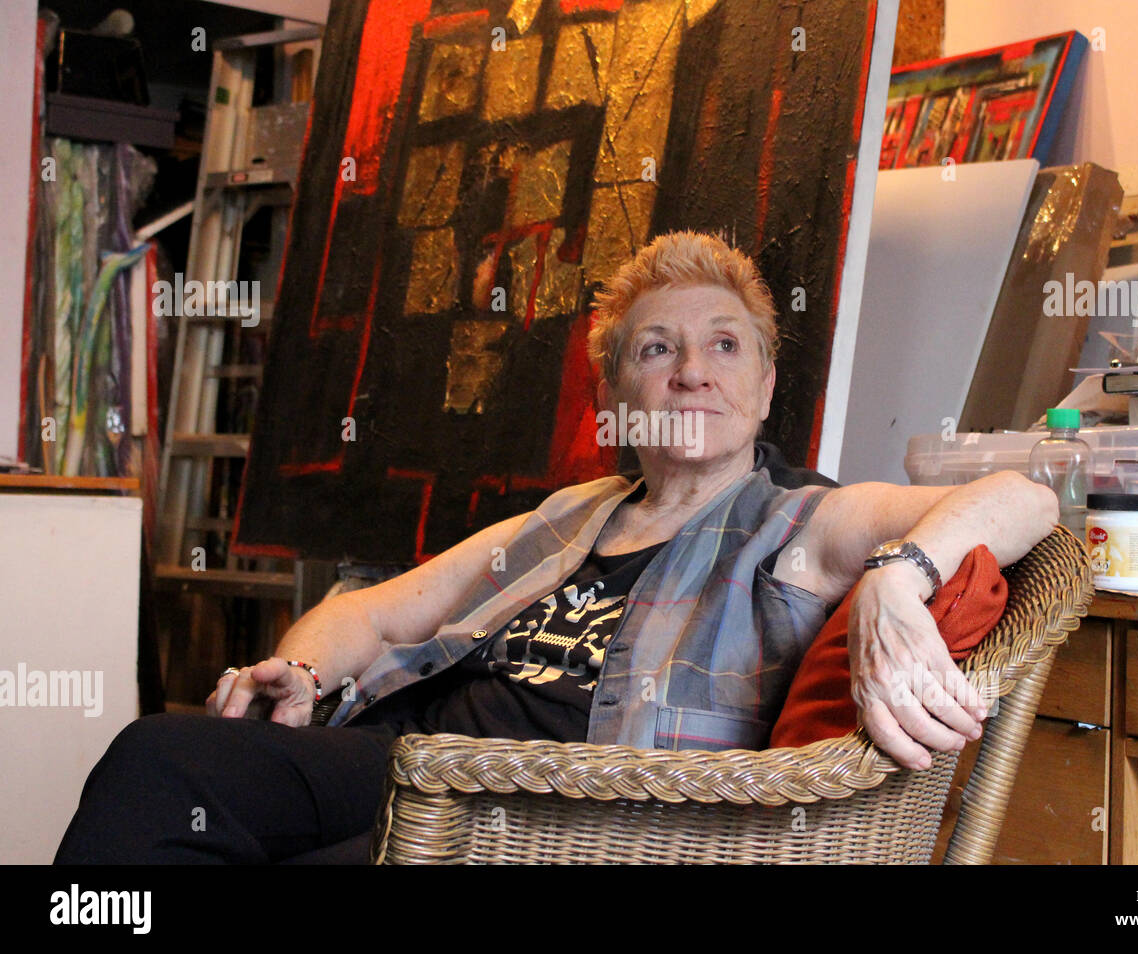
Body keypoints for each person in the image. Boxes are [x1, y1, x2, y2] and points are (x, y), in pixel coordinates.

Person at [55, 230, 1057, 863]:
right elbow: (375, 609)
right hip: (405, 757)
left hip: (536, 820)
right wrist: (300, 666)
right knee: (162, 759)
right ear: (615, 394)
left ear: (762, 385)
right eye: (656, 349)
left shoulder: (799, 524)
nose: (692, 372)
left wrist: (900, 574)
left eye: (725, 345)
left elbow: (1024, 496)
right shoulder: (572, 516)